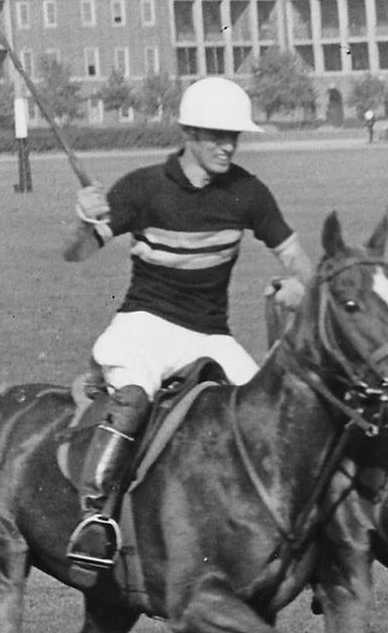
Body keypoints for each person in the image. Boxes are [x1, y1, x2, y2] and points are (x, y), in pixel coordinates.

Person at [61, 76, 314, 570]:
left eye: (234, 136)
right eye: (218, 136)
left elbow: (297, 257)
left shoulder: (247, 192)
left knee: (275, 416)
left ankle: (300, 535)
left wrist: (304, 285)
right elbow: (75, 254)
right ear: (190, 134)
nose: (229, 146)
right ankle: (95, 520)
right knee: (133, 398)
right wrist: (84, 221)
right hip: (144, 326)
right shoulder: (144, 188)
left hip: (210, 334)